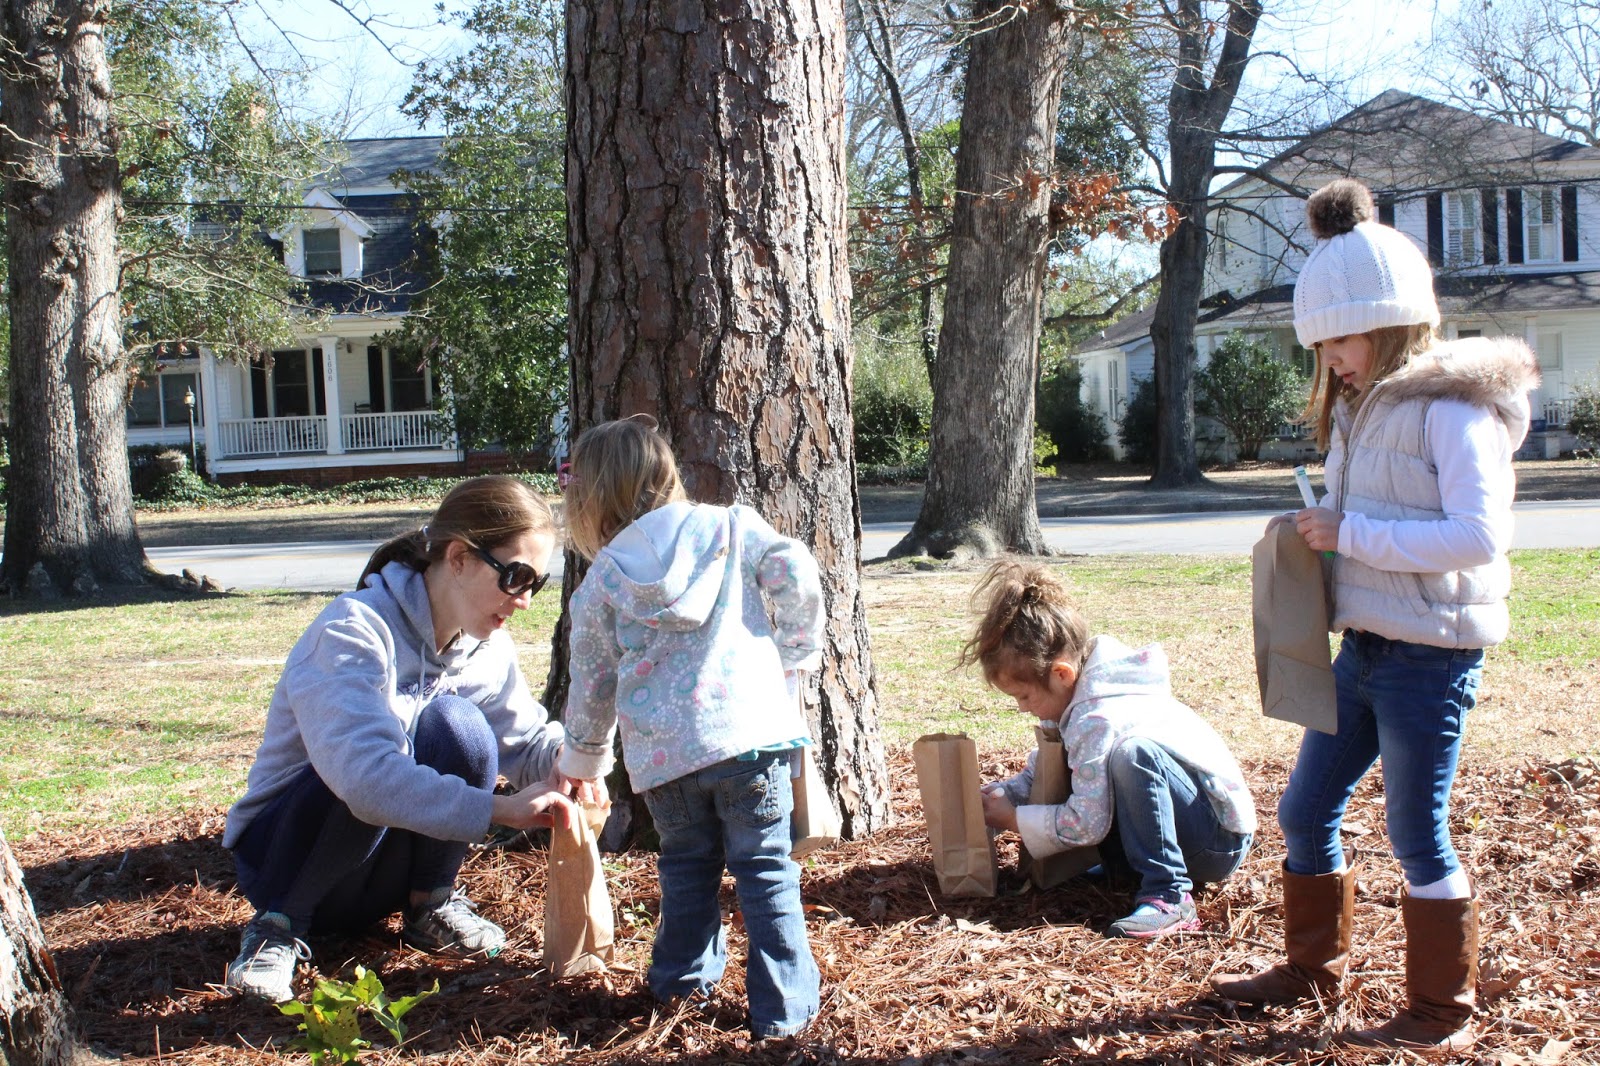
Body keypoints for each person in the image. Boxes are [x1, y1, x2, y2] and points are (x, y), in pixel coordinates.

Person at [1210, 179, 1539, 1055]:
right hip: (1365, 646)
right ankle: (1312, 970)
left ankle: (1442, 1008)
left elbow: (1479, 536)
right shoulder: (1362, 411)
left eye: (1341, 339)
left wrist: (1349, 532)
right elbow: (1374, 523)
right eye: (1319, 345)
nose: (1331, 360)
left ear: (1390, 323)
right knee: (1304, 810)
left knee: (1416, 832)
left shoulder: (1454, 411)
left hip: (1431, 655)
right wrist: (1316, 536)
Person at [222, 475, 579, 1003]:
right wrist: (500, 810)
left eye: (537, 583)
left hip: (374, 874)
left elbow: (525, 742)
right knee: (368, 762)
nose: (525, 600)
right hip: (285, 859)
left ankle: (429, 904)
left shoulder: (484, 646)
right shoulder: (353, 630)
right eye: (516, 577)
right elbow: (363, 779)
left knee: (458, 726)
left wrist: (574, 765)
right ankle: (274, 929)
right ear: (459, 558)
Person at [554, 415, 825, 1040]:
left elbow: (592, 681)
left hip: (665, 758)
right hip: (749, 737)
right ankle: (784, 1010)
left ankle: (680, 985)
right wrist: (795, 651)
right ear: (664, 473)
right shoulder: (732, 527)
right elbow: (794, 569)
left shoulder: (602, 581)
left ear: (591, 498)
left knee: (686, 868)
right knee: (766, 869)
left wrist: (583, 762)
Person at [969, 559, 1257, 939]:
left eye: (1024, 696)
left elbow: (1088, 821)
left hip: (1216, 841)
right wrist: (1007, 794)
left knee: (1133, 756)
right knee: (1114, 765)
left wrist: (1014, 820)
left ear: (1061, 673)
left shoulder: (1097, 717)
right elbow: (1050, 767)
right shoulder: (1071, 697)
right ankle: (1129, 868)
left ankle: (1170, 895)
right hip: (1192, 829)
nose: (1023, 708)